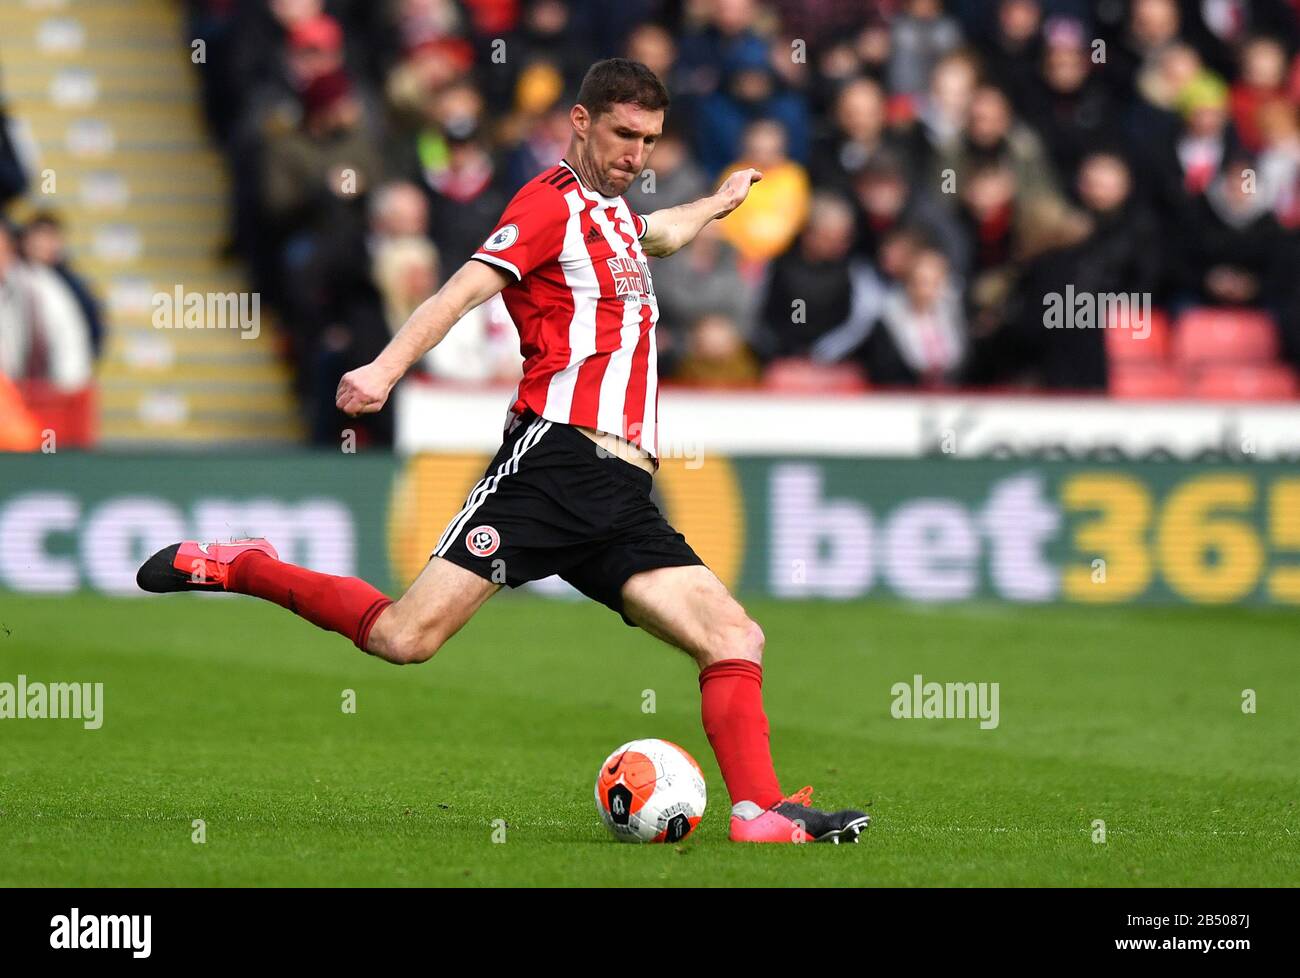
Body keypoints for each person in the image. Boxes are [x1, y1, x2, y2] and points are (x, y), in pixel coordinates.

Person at [137, 59, 870, 846]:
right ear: (581, 123)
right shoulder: (548, 205)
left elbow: (660, 231)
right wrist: (385, 369)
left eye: (652, 140)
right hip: (554, 465)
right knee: (403, 638)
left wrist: (721, 204)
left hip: (621, 493)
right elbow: (463, 289)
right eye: (624, 134)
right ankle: (245, 565)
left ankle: (758, 814)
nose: (638, 154)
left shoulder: (616, 217)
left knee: (735, 637)